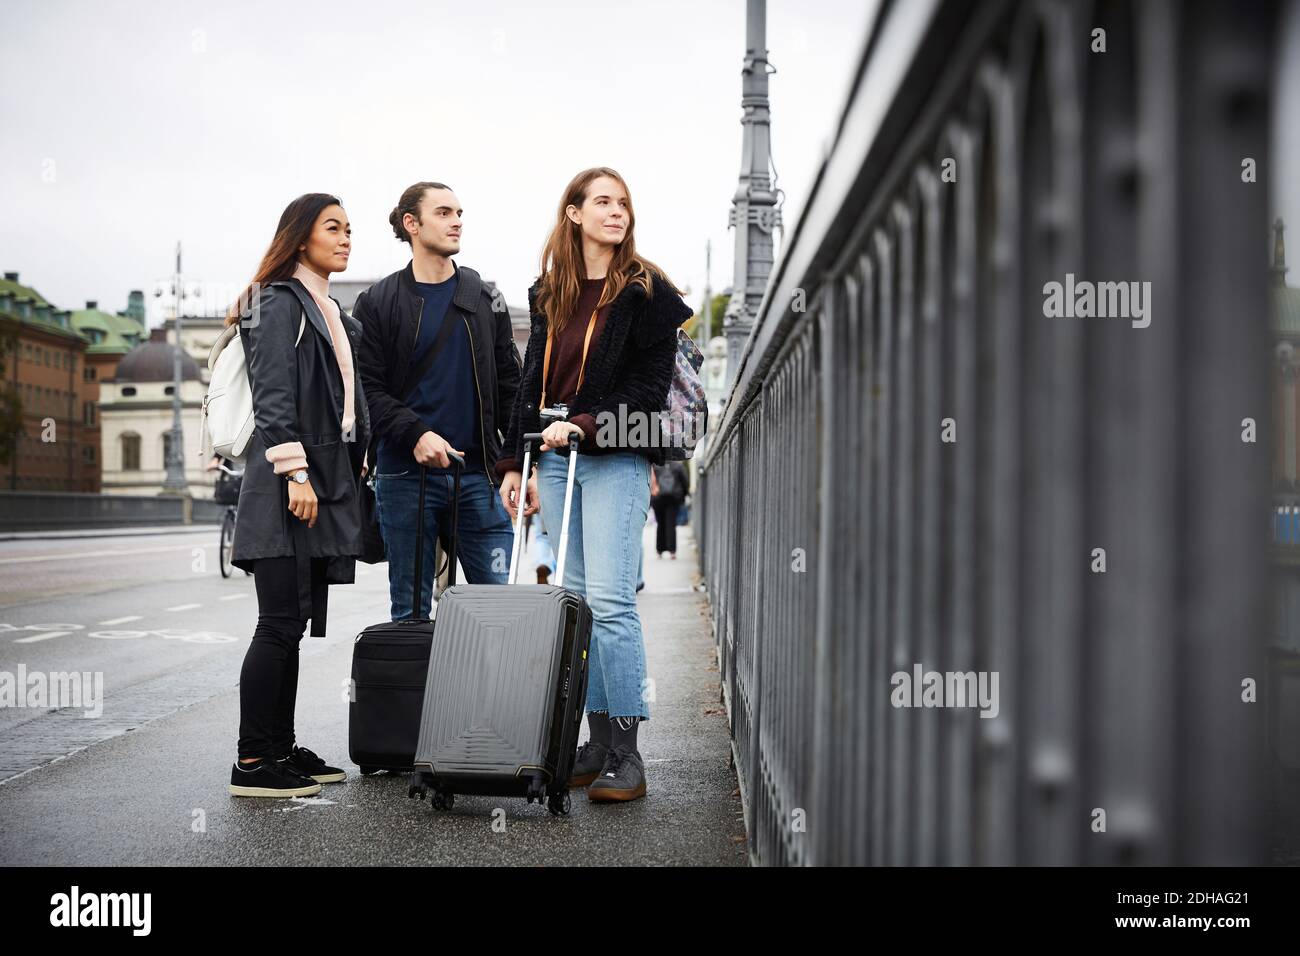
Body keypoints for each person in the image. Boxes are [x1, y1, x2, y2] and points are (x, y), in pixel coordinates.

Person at [497, 167, 691, 803]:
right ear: (574, 213)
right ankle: (597, 743)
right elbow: (533, 381)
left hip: (613, 453)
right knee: (576, 603)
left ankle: (628, 754)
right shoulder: (549, 289)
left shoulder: (646, 291)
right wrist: (510, 465)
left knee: (610, 600)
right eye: (603, 202)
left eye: (624, 203)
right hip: (552, 459)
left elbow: (647, 389)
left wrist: (581, 424)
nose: (617, 212)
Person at [225, 193, 370, 798]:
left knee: (292, 621)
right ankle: (253, 763)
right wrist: (296, 473)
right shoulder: (273, 300)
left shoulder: (326, 307)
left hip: (319, 480)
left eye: (349, 230)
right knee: (277, 622)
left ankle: (278, 748)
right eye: (332, 228)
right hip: (287, 484)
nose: (345, 239)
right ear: (299, 236)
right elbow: (273, 395)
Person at [355, 182, 521, 619]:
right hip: (406, 477)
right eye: (444, 212)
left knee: (498, 609)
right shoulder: (377, 302)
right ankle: (419, 690)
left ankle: (492, 691)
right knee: (409, 612)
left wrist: (518, 464)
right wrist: (415, 433)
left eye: (459, 212)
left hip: (480, 478)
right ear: (412, 223)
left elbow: (511, 385)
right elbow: (367, 389)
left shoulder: (485, 298)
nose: (457, 221)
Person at [650, 460, 688, 558]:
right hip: (673, 498)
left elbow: (650, 481)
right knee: (671, 524)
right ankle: (672, 552)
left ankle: (659, 551)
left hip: (658, 498)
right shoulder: (677, 465)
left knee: (660, 524)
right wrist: (683, 496)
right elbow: (685, 482)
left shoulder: (655, 464)